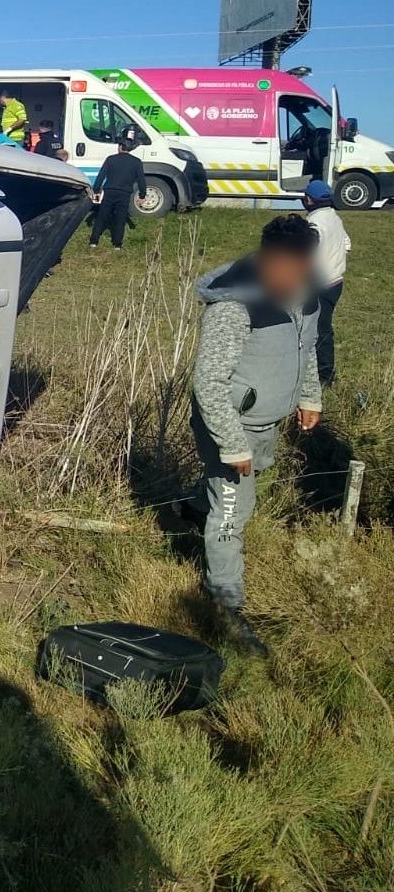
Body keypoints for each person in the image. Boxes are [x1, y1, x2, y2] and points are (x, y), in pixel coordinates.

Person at [186, 215, 322, 656]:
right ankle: (225, 604)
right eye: (282, 266)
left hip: (265, 424)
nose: (291, 276)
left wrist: (309, 395)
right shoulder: (233, 307)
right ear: (266, 259)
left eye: (299, 266)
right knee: (232, 511)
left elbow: (308, 347)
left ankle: (194, 506)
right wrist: (232, 443)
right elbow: (207, 382)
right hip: (230, 424)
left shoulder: (303, 295)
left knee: (230, 494)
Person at [301, 180, 351, 385]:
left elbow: (304, 254)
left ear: (308, 200)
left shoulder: (313, 224)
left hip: (319, 285)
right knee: (322, 327)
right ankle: (321, 372)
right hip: (336, 282)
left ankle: (325, 374)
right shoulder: (334, 218)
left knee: (319, 330)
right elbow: (347, 244)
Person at [88, 130, 146, 249]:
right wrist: (142, 194)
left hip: (109, 191)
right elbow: (141, 179)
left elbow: (101, 175)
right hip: (124, 193)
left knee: (101, 216)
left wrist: (96, 190)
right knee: (120, 218)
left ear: (120, 147)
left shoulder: (111, 159)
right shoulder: (136, 162)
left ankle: (93, 241)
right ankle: (117, 244)